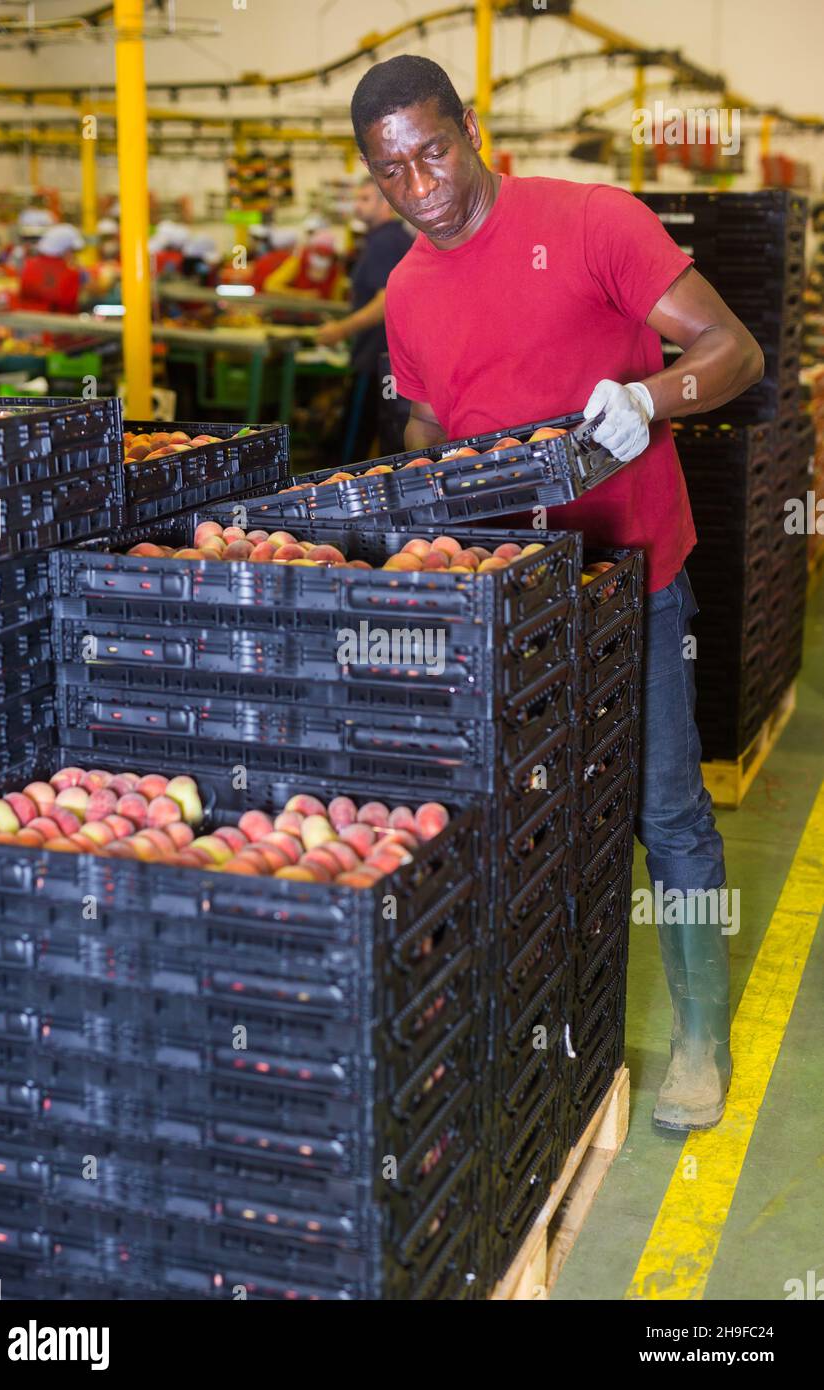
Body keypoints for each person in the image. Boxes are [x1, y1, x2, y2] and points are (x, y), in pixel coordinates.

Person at [350, 54, 766, 1132]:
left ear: (472, 126)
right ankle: (546, 1033)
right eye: (391, 170)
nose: (421, 185)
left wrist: (648, 393)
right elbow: (433, 422)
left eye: (433, 150)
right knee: (524, 824)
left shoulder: (591, 222)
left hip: (634, 575)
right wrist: (417, 495)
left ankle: (696, 1036)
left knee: (665, 811)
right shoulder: (403, 289)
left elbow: (732, 350)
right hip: (508, 599)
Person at [315, 177, 413, 460]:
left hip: (376, 359)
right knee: (385, 438)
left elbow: (385, 301)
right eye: (356, 199)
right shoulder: (389, 239)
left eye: (365, 199)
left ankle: (339, 495)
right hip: (387, 359)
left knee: (353, 444)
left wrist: (341, 329)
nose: (357, 206)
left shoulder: (385, 241)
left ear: (387, 204)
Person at [263, 229, 347, 301]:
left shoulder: (335, 272)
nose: (322, 257)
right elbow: (271, 286)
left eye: (326, 254)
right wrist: (303, 295)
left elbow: (336, 300)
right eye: (319, 252)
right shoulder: (298, 263)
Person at [18, 223, 84, 314]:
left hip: (28, 323)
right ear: (66, 249)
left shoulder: (28, 266)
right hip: (58, 325)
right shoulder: (70, 274)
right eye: (72, 251)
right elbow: (70, 307)